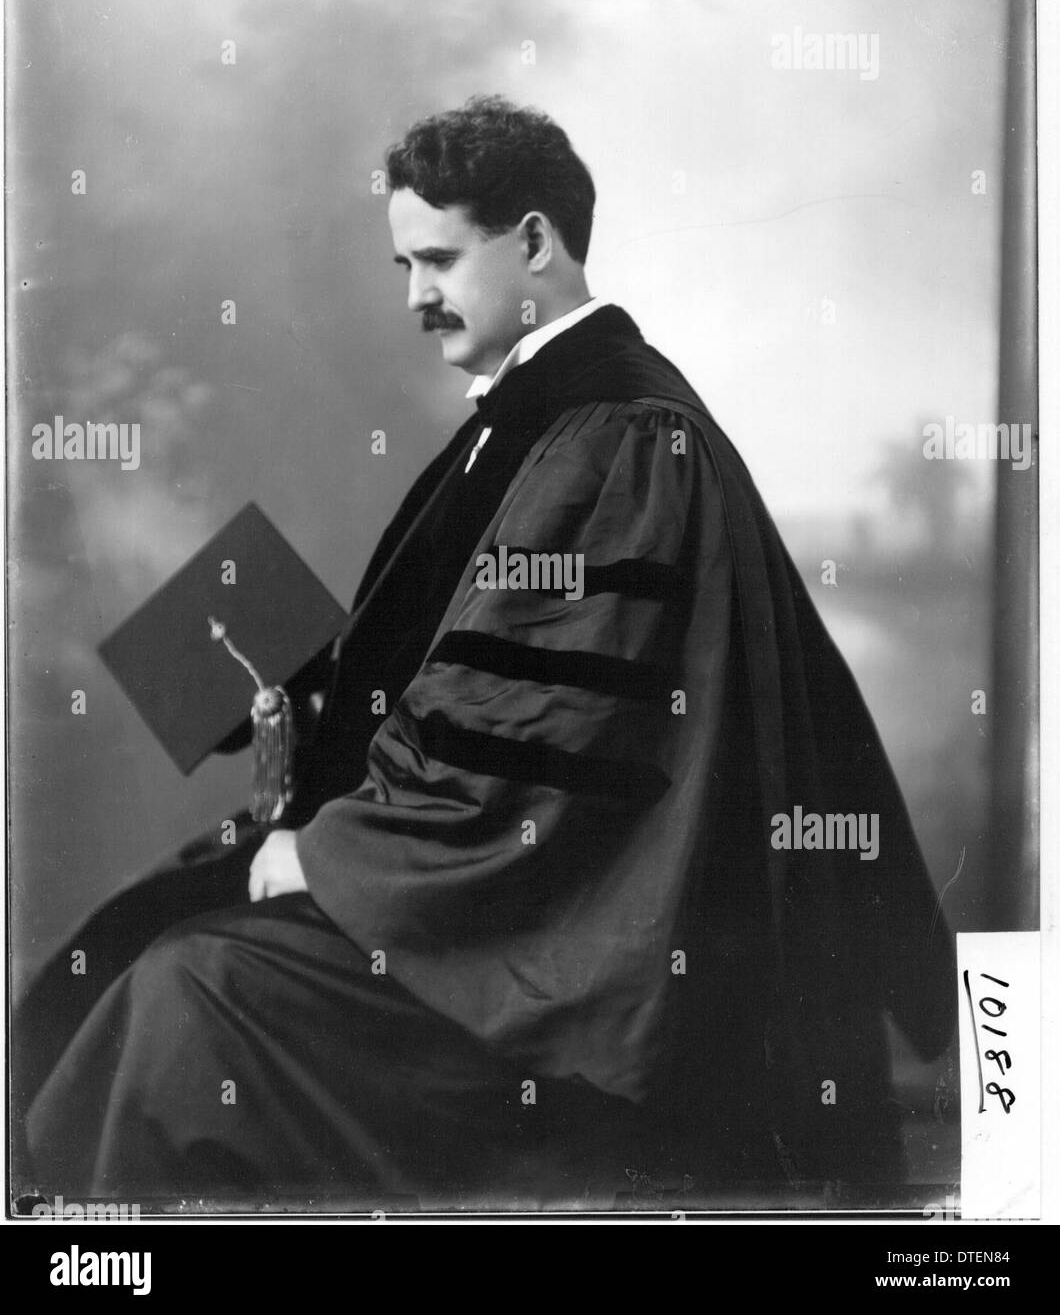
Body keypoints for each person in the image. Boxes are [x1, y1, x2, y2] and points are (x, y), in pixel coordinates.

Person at [20, 96, 955, 1208]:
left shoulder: (615, 437)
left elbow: (543, 740)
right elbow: (478, 674)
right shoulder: (531, 419)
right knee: (159, 959)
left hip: (572, 981)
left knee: (185, 997)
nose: (414, 296)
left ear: (534, 243)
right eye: (402, 263)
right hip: (501, 910)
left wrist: (328, 854)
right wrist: (310, 698)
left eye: (436, 259)